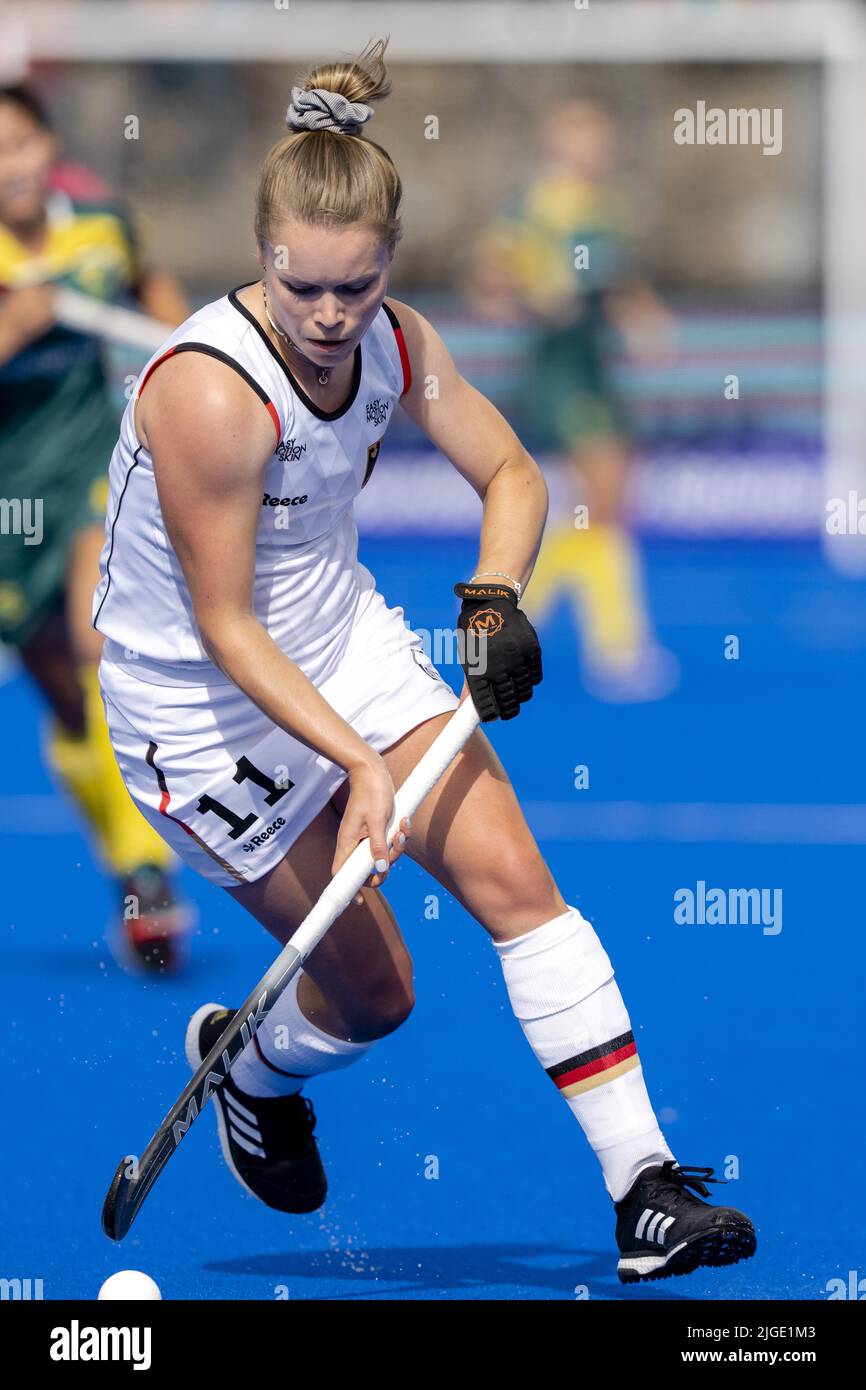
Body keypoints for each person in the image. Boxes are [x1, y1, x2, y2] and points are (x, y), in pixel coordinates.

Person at [93, 41, 755, 1284]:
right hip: (192, 707)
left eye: (357, 285)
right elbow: (227, 625)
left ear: (387, 262)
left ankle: (645, 1192)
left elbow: (511, 472)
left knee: (516, 879)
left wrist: (492, 597)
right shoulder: (208, 396)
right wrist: (360, 769)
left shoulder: (397, 343)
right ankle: (251, 1063)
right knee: (376, 997)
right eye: (303, 288)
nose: (331, 317)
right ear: (261, 255)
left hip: (336, 642)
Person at [0, 83, 194, 972]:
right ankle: (127, 863)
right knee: (68, 701)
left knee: (93, 647)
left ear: (49, 147)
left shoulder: (103, 224)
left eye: (21, 144)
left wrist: (178, 337)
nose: (11, 167)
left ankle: (152, 869)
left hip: (88, 476)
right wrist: (20, 323)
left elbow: (152, 294)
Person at [465, 98, 679, 702]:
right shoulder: (537, 206)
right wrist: (530, 295)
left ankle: (513, 612)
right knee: (607, 491)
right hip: (558, 368)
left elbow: (613, 279)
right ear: (558, 143)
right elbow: (486, 277)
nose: (597, 149)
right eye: (583, 137)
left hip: (592, 364)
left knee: (600, 501)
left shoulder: (604, 204)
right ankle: (615, 646)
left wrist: (642, 314)